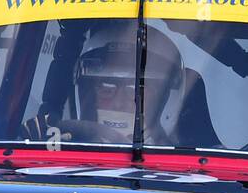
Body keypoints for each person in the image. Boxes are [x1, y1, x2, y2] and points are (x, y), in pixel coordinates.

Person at [22, 20, 186, 145]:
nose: (118, 103)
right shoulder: (62, 144)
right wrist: (39, 141)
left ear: (165, 98)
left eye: (134, 91)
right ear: (87, 94)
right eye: (107, 89)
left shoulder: (192, 170)